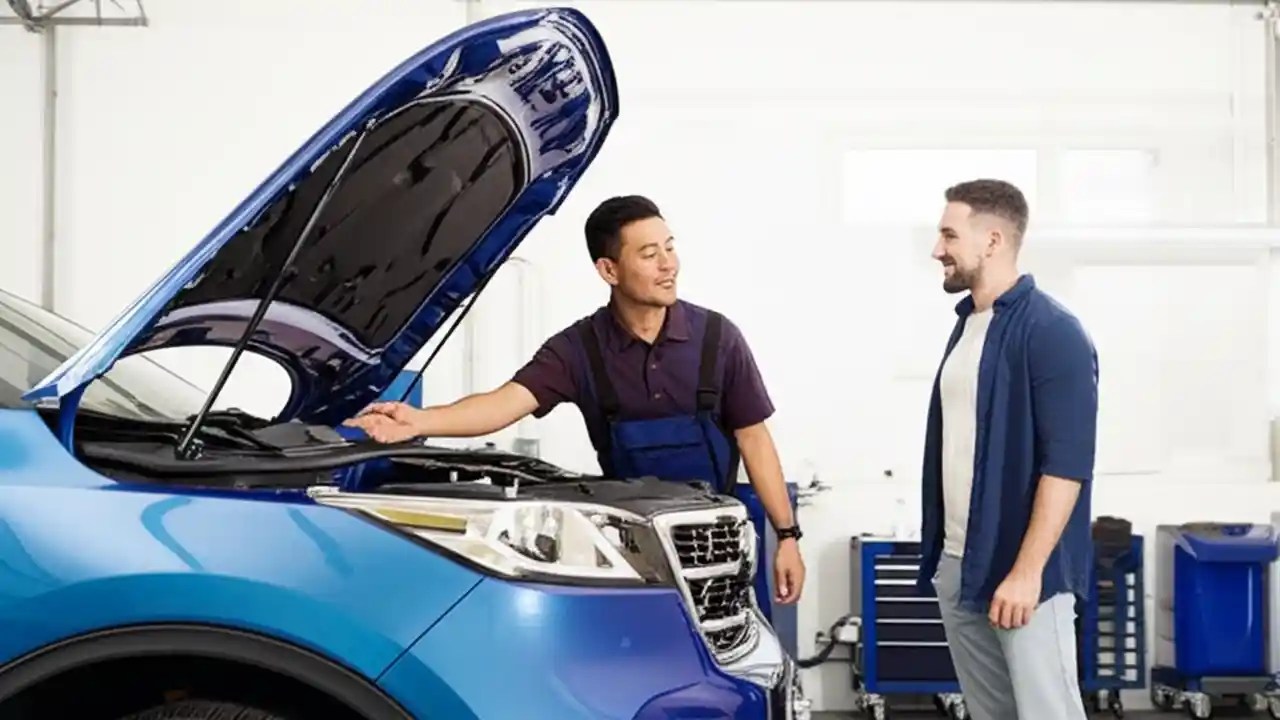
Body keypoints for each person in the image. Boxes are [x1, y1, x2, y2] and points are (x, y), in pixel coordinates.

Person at [345, 194, 806, 606]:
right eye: (650, 253)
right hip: (632, 555)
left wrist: (787, 537)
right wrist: (421, 421)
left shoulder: (717, 339)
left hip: (717, 547)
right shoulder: (579, 350)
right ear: (609, 270)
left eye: (670, 246)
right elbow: (506, 402)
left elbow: (754, 439)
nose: (669, 264)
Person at [917, 179, 1098, 720]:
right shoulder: (970, 327)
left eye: (949, 235)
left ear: (992, 240)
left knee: (1048, 712)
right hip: (960, 563)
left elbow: (1066, 467)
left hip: (1024, 575)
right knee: (991, 713)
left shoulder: (1053, 331)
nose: (937, 249)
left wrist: (1027, 572)